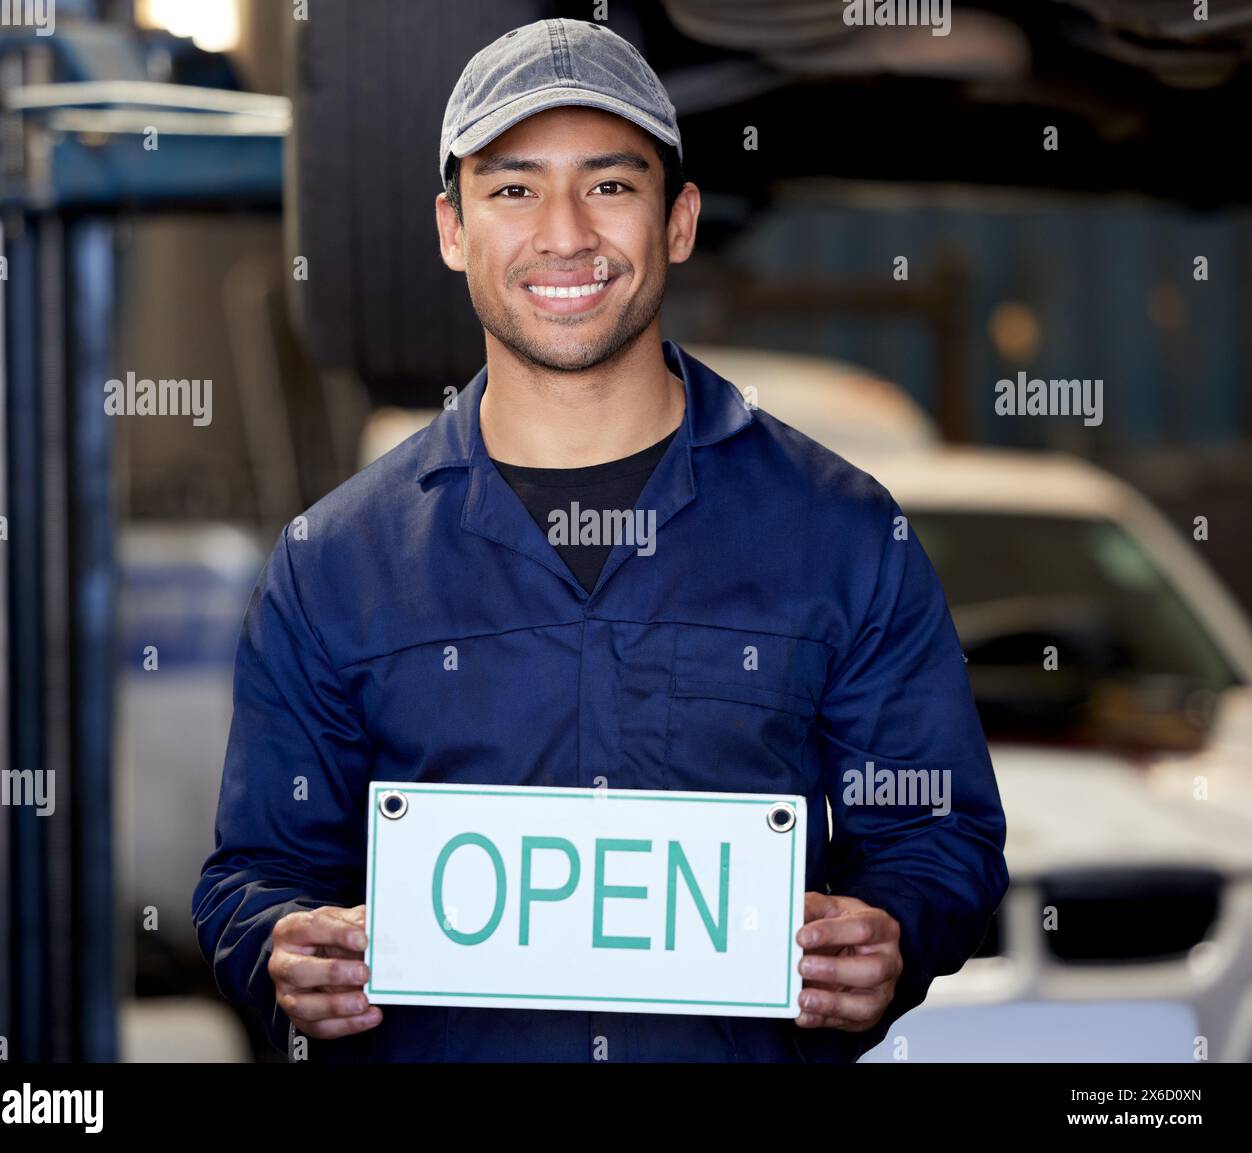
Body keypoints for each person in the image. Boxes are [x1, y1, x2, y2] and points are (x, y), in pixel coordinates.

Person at [192, 16, 1008, 1063]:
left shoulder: (843, 535)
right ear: (452, 229)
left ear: (678, 220)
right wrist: (279, 946)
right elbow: (253, 870)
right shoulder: (336, 564)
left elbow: (939, 833)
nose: (565, 233)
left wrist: (893, 930)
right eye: (514, 188)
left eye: (611, 185)